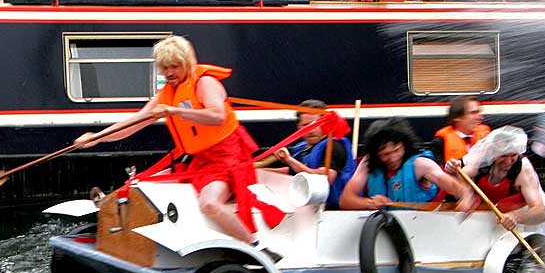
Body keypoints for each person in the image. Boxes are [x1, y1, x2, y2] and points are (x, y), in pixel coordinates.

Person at [74, 35, 259, 243]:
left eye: (175, 67)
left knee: (209, 204)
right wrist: (97, 137)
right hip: (198, 159)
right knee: (142, 185)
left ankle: (256, 247)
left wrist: (175, 111)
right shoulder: (166, 94)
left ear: (186, 64)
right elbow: (135, 122)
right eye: (164, 67)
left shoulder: (205, 82)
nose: (169, 73)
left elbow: (218, 116)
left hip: (227, 157)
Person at [340, 118, 473, 210]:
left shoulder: (420, 164)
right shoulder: (368, 163)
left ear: (404, 145)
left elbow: (452, 185)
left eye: (396, 150)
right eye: (385, 154)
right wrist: (369, 203)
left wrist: (465, 196)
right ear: (376, 154)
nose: (392, 158)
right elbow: (345, 200)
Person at [456, 126, 545, 237]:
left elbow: (541, 212)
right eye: (503, 156)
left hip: (530, 217)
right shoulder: (481, 156)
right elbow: (462, 175)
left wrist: (515, 217)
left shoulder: (523, 168)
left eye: (513, 155)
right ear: (493, 153)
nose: (508, 162)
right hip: (501, 209)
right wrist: (466, 194)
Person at [270, 99, 357, 209]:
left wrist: (289, 160)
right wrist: (255, 171)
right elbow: (293, 172)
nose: (311, 130)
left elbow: (324, 179)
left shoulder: (334, 146)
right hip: (308, 210)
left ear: (326, 124)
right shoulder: (301, 148)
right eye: (306, 125)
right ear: (298, 127)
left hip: (335, 211)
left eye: (316, 124)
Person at [430, 95, 491, 165]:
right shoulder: (440, 142)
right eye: (473, 113)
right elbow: (439, 172)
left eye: (478, 112)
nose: (480, 117)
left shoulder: (487, 137)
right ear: (457, 117)